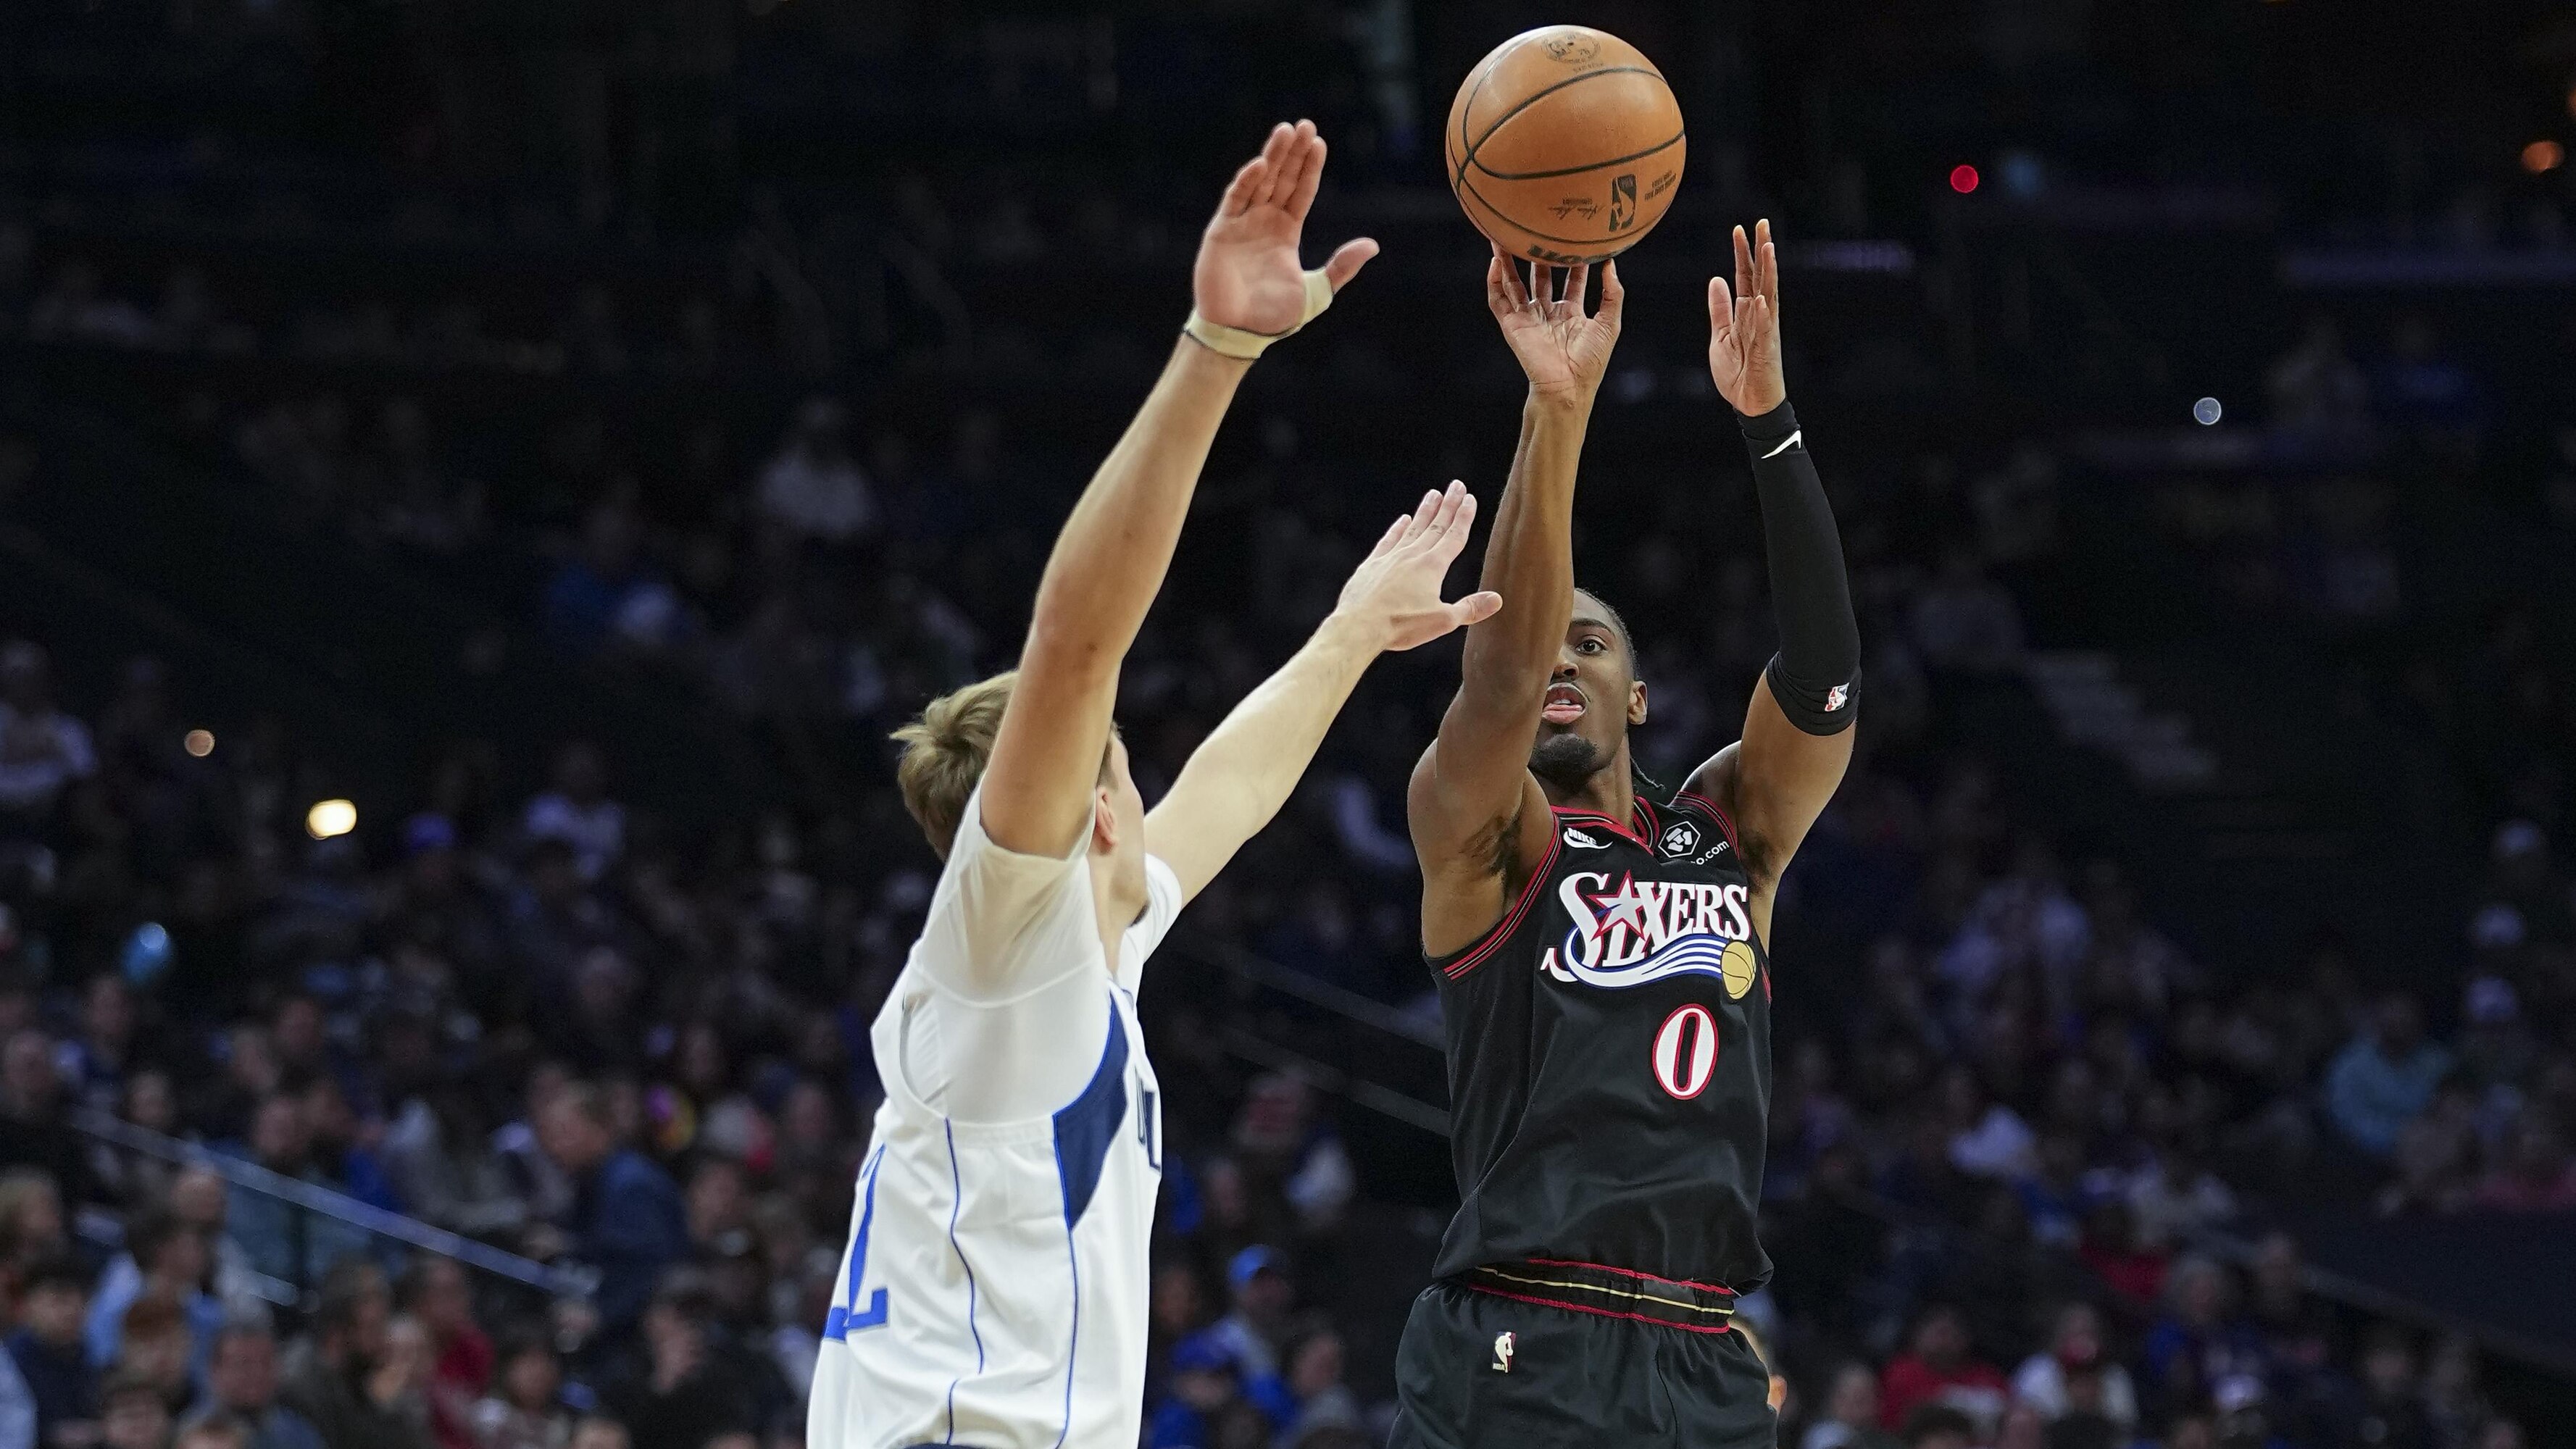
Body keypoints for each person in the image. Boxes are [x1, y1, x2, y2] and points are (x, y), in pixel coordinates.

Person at [809, 120, 1493, 1449]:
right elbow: (1074, 646)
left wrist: (1352, 634)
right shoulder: (1011, 950)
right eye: (1118, 767)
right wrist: (1217, 350)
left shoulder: (1085, 957)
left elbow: (1227, 793)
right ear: (1093, 806)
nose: (1135, 788)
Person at [1386, 222, 1859, 1449]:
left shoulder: (1727, 831)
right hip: (1521, 1333)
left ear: (1637, 697)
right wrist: (1556, 408)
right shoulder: (1478, 833)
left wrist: (1770, 421)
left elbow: (1823, 688)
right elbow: (1496, 673)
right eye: (1550, 642)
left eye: (1590, 646)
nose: (1559, 662)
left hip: (1703, 1350)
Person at [530, 1085, 685, 1343]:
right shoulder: (593, 1181)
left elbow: (649, 1271)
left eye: (565, 1133)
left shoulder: (630, 1186)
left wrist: (599, 1315)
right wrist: (567, 1245)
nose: (554, 1147)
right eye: (550, 1136)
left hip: (655, 1333)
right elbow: (604, 1246)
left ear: (600, 1129)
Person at [9, 1254, 98, 1449]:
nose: (73, 1310)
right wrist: (49, 1434)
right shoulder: (8, 1364)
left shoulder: (87, 1355)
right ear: (28, 1304)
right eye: (60, 1300)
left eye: (82, 1299)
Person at [191, 1324, 323, 1449]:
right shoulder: (193, 1433)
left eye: (266, 1363)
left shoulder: (298, 1434)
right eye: (244, 1364)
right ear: (215, 1369)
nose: (257, 1374)